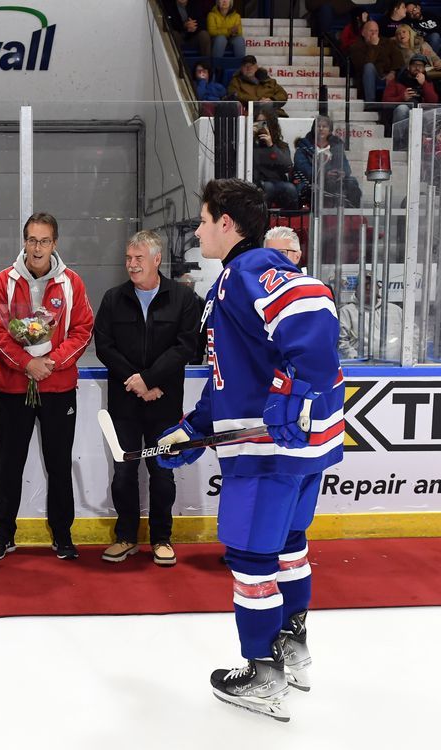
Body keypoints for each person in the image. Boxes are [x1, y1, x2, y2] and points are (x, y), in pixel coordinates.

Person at [157, 178, 344, 721]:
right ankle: (293, 648)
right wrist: (193, 430)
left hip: (271, 452)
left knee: (250, 558)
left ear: (227, 225)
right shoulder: (232, 281)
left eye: (202, 218)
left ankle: (262, 673)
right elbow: (233, 376)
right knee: (288, 545)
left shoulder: (247, 270)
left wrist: (293, 391)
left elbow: (312, 309)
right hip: (297, 450)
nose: (196, 229)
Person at [0, 212, 94, 562]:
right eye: (32, 239)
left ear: (55, 243)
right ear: (24, 241)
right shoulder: (4, 280)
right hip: (15, 387)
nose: (37, 247)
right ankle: (4, 533)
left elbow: (82, 329)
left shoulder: (71, 282)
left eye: (44, 240)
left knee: (59, 463)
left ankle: (62, 534)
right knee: (10, 463)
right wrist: (26, 363)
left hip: (58, 388)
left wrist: (51, 363)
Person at [94, 230, 200, 567]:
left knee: (162, 472)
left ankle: (161, 539)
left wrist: (151, 381)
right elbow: (104, 346)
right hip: (125, 404)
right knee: (124, 472)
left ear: (157, 259)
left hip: (164, 402)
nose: (132, 264)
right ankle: (125, 537)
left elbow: (186, 347)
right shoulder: (113, 298)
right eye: (128, 258)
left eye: (139, 258)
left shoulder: (183, 299)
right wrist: (136, 381)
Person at [337, 272, 412, 360]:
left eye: (371, 284)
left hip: (396, 368)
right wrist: (355, 359)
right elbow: (341, 341)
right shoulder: (346, 311)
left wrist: (411, 357)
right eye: (364, 285)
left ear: (378, 288)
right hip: (362, 369)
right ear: (356, 289)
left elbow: (412, 334)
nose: (368, 288)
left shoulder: (395, 310)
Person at [348, 20, 404, 102]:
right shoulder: (356, 47)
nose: (374, 34)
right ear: (363, 33)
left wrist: (392, 72)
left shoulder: (387, 42)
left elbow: (398, 58)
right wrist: (374, 46)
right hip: (369, 77)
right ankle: (370, 102)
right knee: (369, 66)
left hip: (388, 75)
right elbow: (362, 65)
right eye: (371, 31)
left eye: (376, 31)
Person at [252, 110, 298, 210]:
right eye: (258, 122)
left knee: (290, 189)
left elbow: (287, 165)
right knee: (267, 187)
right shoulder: (249, 144)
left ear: (271, 125)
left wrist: (271, 146)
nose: (261, 126)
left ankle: (289, 219)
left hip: (277, 181)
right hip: (256, 182)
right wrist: (249, 138)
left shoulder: (281, 145)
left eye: (264, 123)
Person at [383, 53, 439, 134]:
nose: (417, 68)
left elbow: (433, 102)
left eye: (420, 66)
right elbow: (385, 101)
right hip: (401, 115)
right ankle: (399, 141)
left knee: (431, 113)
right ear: (409, 67)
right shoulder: (397, 80)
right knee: (402, 108)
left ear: (424, 69)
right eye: (414, 65)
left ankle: (426, 142)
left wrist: (424, 84)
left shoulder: (427, 81)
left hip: (421, 113)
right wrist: (402, 98)